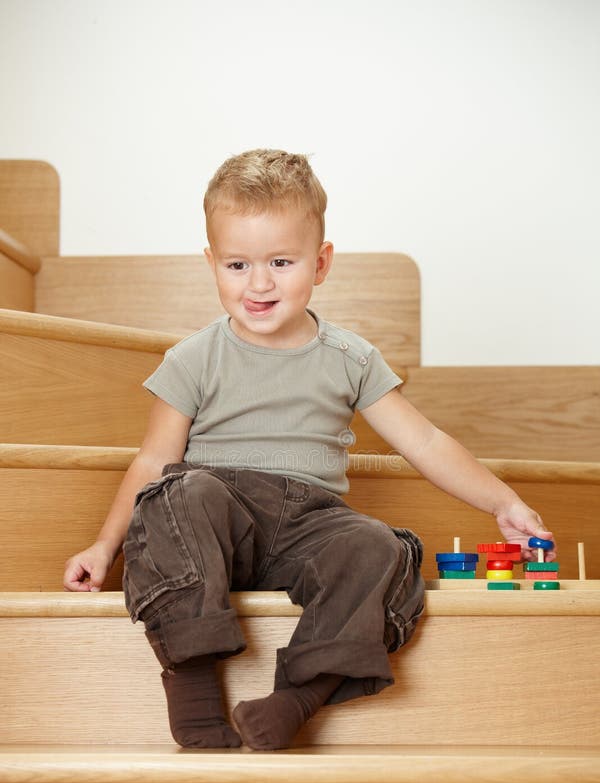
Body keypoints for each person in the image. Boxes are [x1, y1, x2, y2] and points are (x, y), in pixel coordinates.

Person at [63, 149, 555, 751]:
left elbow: (424, 441)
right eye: (238, 264)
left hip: (311, 526)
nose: (260, 283)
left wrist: (502, 502)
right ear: (211, 263)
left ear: (320, 264)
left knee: (379, 547)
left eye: (281, 261)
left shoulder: (350, 359)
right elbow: (150, 463)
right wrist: (103, 544)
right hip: (219, 515)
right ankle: (191, 688)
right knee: (177, 491)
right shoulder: (193, 359)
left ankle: (295, 700)